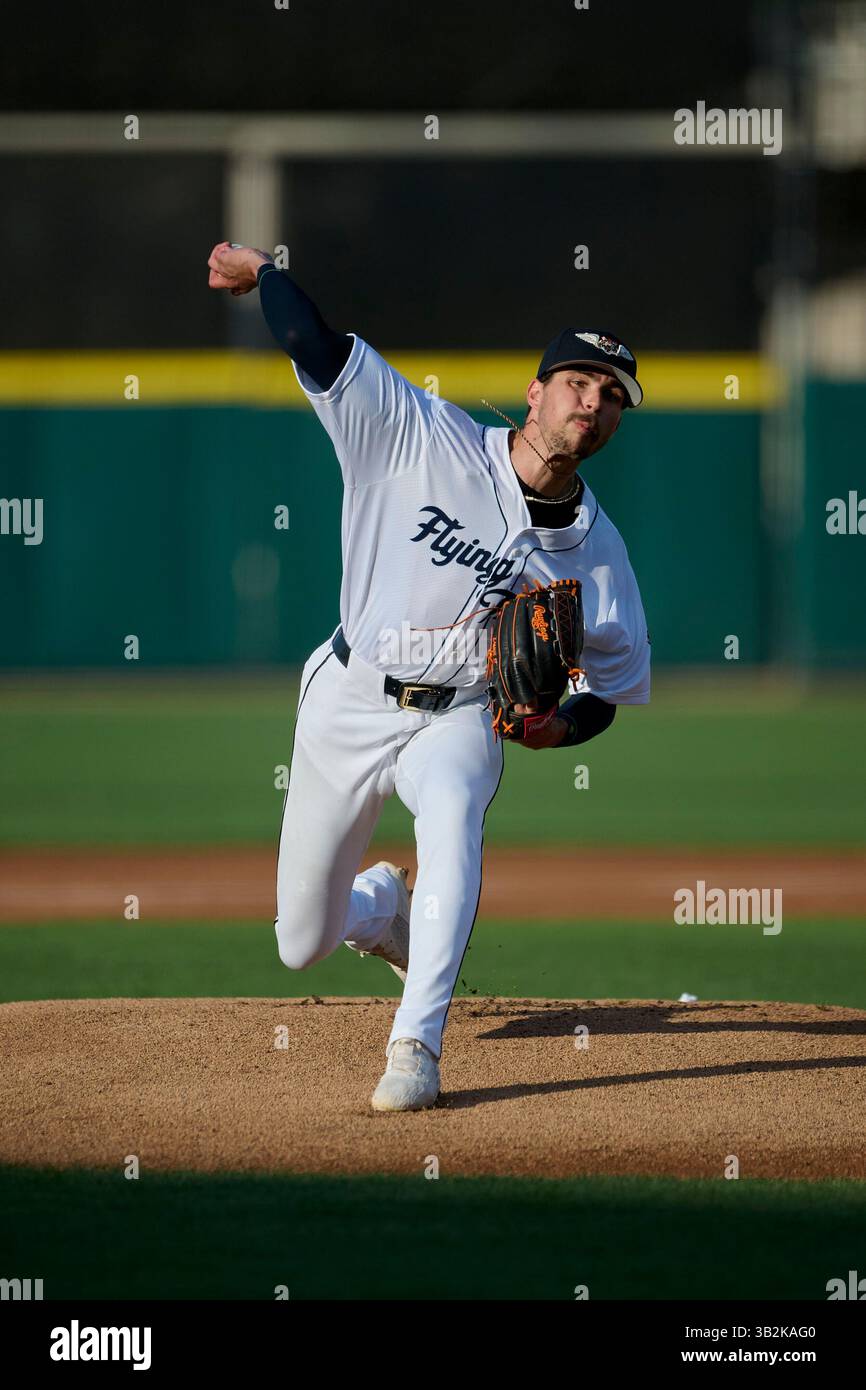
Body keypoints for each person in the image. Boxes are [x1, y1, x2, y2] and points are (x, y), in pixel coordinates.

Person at [207, 241, 651, 1111]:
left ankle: (416, 1044)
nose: (590, 406)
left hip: (461, 717)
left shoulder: (600, 555)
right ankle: (383, 908)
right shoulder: (420, 432)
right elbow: (320, 348)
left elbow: (612, 687)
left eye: (610, 399)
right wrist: (265, 274)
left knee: (453, 817)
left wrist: (557, 727)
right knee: (301, 940)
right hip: (348, 694)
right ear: (537, 391)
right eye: (577, 383)